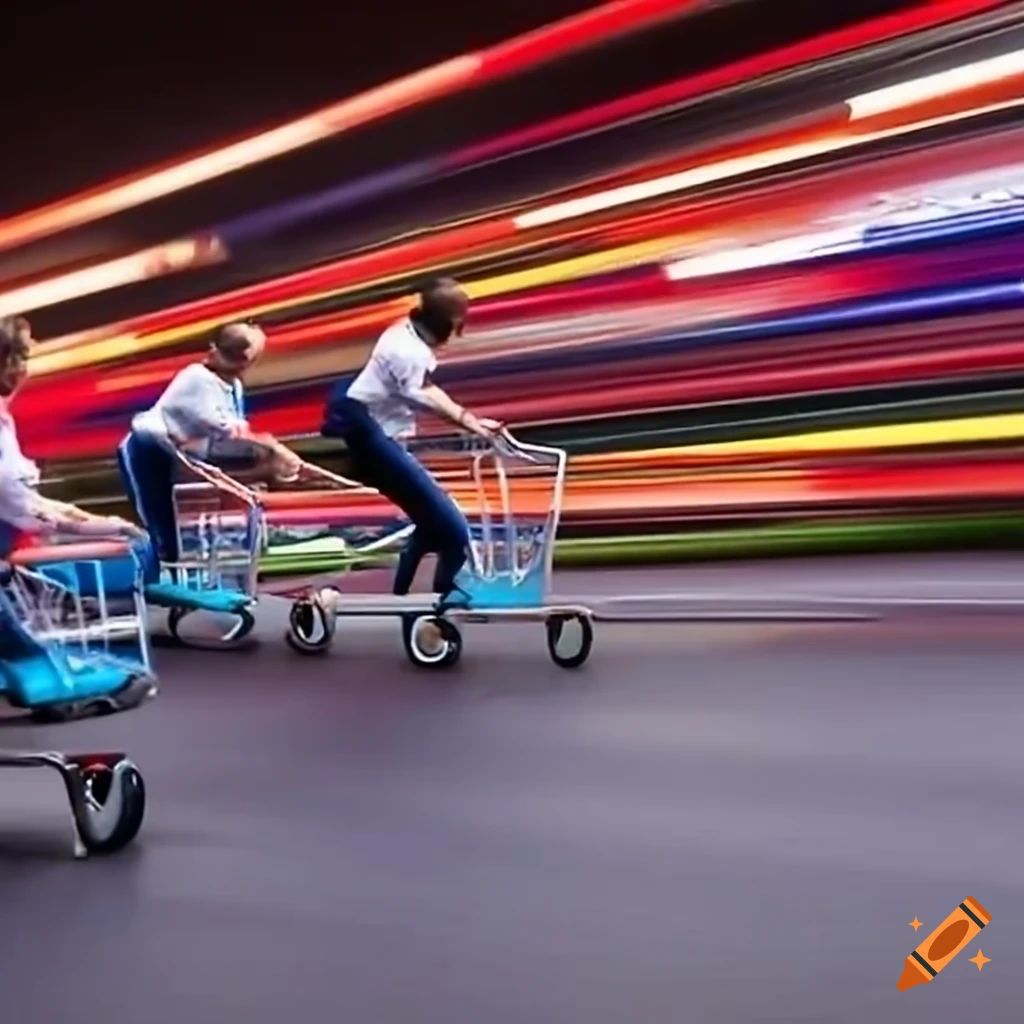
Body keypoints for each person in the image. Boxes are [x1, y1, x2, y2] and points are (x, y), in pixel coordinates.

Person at [306, 278, 500, 625]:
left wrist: (471, 422)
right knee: (454, 531)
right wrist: (470, 422)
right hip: (370, 436)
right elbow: (421, 394)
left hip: (379, 436)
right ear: (450, 322)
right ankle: (443, 599)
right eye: (460, 322)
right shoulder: (406, 349)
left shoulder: (408, 335)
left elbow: (425, 389)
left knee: (429, 525)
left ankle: (406, 605)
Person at [117, 320, 302, 566]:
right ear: (246, 359)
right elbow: (227, 431)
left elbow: (234, 433)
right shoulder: (197, 379)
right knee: (160, 526)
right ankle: (155, 583)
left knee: (180, 527)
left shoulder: (232, 385)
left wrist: (269, 458)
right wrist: (277, 450)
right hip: (147, 452)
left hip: (184, 454)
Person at [0, 315, 144, 557]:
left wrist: (102, 522)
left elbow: (32, 505)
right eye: (22, 358)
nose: (26, 369)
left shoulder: (5, 423)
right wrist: (107, 526)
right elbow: (26, 511)